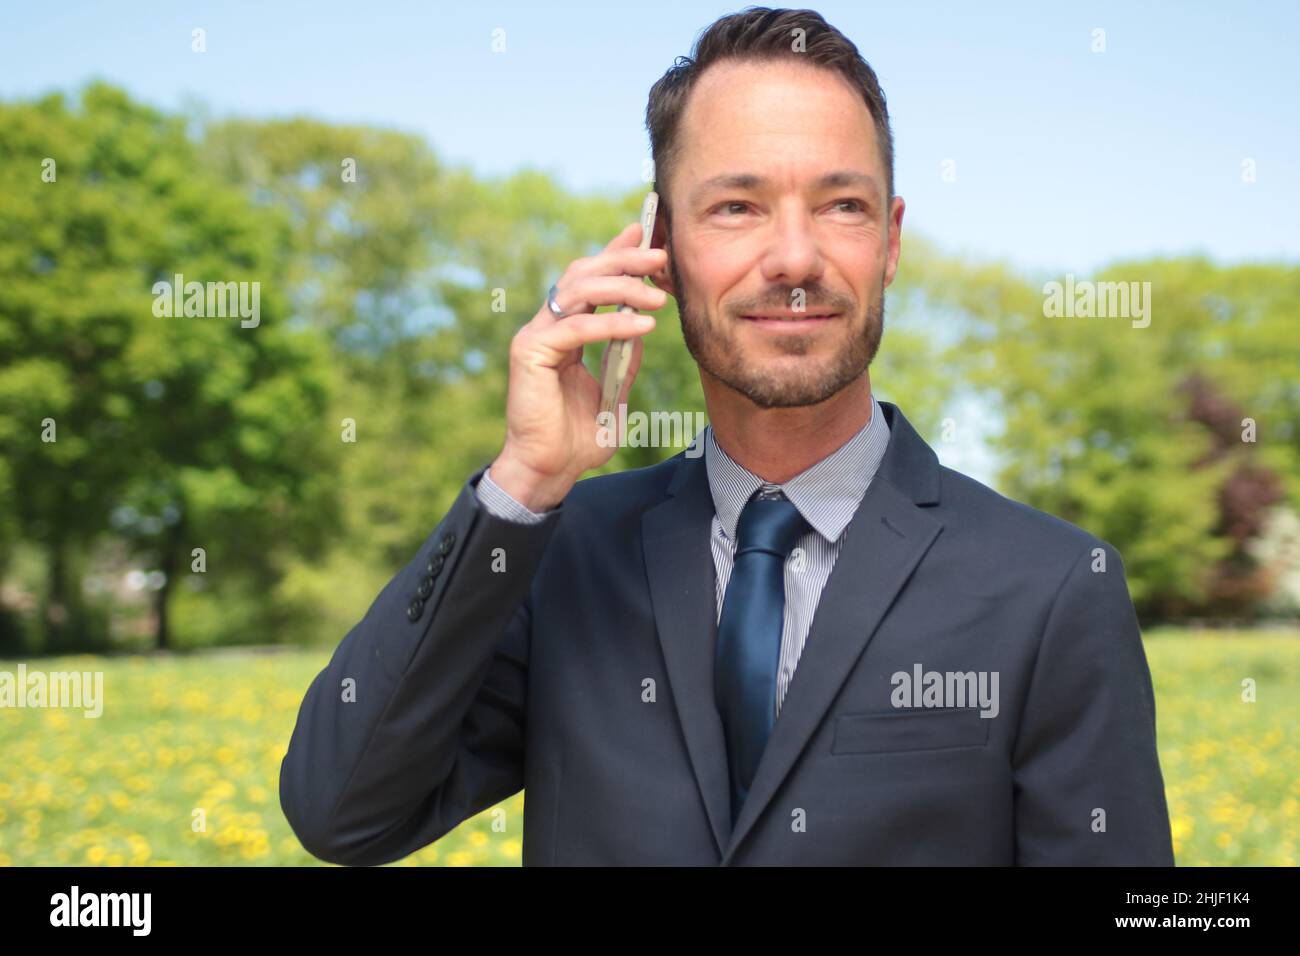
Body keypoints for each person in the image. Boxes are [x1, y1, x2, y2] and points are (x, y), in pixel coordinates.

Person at [280, 6, 1175, 866]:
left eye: (842, 206)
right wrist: (522, 481)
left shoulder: (1055, 589)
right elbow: (342, 811)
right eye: (737, 207)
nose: (794, 258)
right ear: (659, 247)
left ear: (890, 242)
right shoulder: (565, 555)